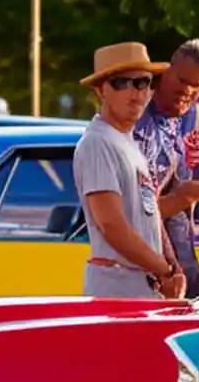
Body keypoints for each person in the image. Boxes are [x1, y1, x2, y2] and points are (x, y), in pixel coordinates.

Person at [73, 42, 182, 298]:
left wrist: (172, 264)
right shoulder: (97, 142)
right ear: (101, 90)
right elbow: (111, 224)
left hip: (141, 289)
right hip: (116, 290)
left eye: (144, 82)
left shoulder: (127, 142)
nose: (136, 93)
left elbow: (149, 210)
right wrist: (164, 271)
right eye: (122, 83)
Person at [134, 39, 199, 298]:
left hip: (179, 245)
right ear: (166, 71)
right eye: (182, 81)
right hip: (131, 248)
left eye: (198, 86)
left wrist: (172, 202)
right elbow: (129, 205)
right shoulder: (135, 110)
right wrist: (179, 198)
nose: (188, 91)